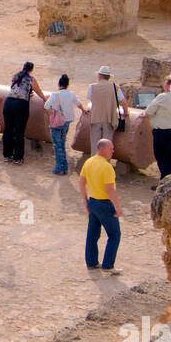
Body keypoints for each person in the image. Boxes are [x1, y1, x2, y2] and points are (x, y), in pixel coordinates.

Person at [80, 138, 123, 275]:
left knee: (92, 234)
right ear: (102, 149)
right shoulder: (107, 167)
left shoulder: (89, 162)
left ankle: (91, 262)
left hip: (93, 202)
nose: (113, 151)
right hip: (105, 204)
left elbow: (81, 182)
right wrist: (117, 206)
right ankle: (108, 265)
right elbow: (110, 189)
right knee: (114, 234)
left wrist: (85, 201)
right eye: (111, 148)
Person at [2, 61, 47, 164]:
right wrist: (45, 100)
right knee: (19, 131)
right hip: (21, 105)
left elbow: (16, 89)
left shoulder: (15, 76)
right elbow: (38, 91)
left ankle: (7, 155)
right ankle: (18, 157)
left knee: (8, 130)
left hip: (8, 102)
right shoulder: (31, 79)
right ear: (31, 70)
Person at [84, 65, 127, 155]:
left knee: (95, 146)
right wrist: (126, 112)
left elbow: (90, 100)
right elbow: (123, 101)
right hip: (109, 118)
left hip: (96, 118)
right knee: (107, 147)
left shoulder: (92, 87)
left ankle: (94, 166)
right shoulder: (115, 87)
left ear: (99, 75)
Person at [44, 74, 80, 174]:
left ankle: (60, 167)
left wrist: (51, 114)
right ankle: (64, 166)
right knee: (62, 143)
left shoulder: (55, 95)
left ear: (59, 84)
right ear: (67, 85)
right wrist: (84, 110)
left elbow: (46, 105)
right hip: (67, 122)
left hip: (57, 123)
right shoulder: (72, 94)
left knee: (57, 145)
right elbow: (78, 104)